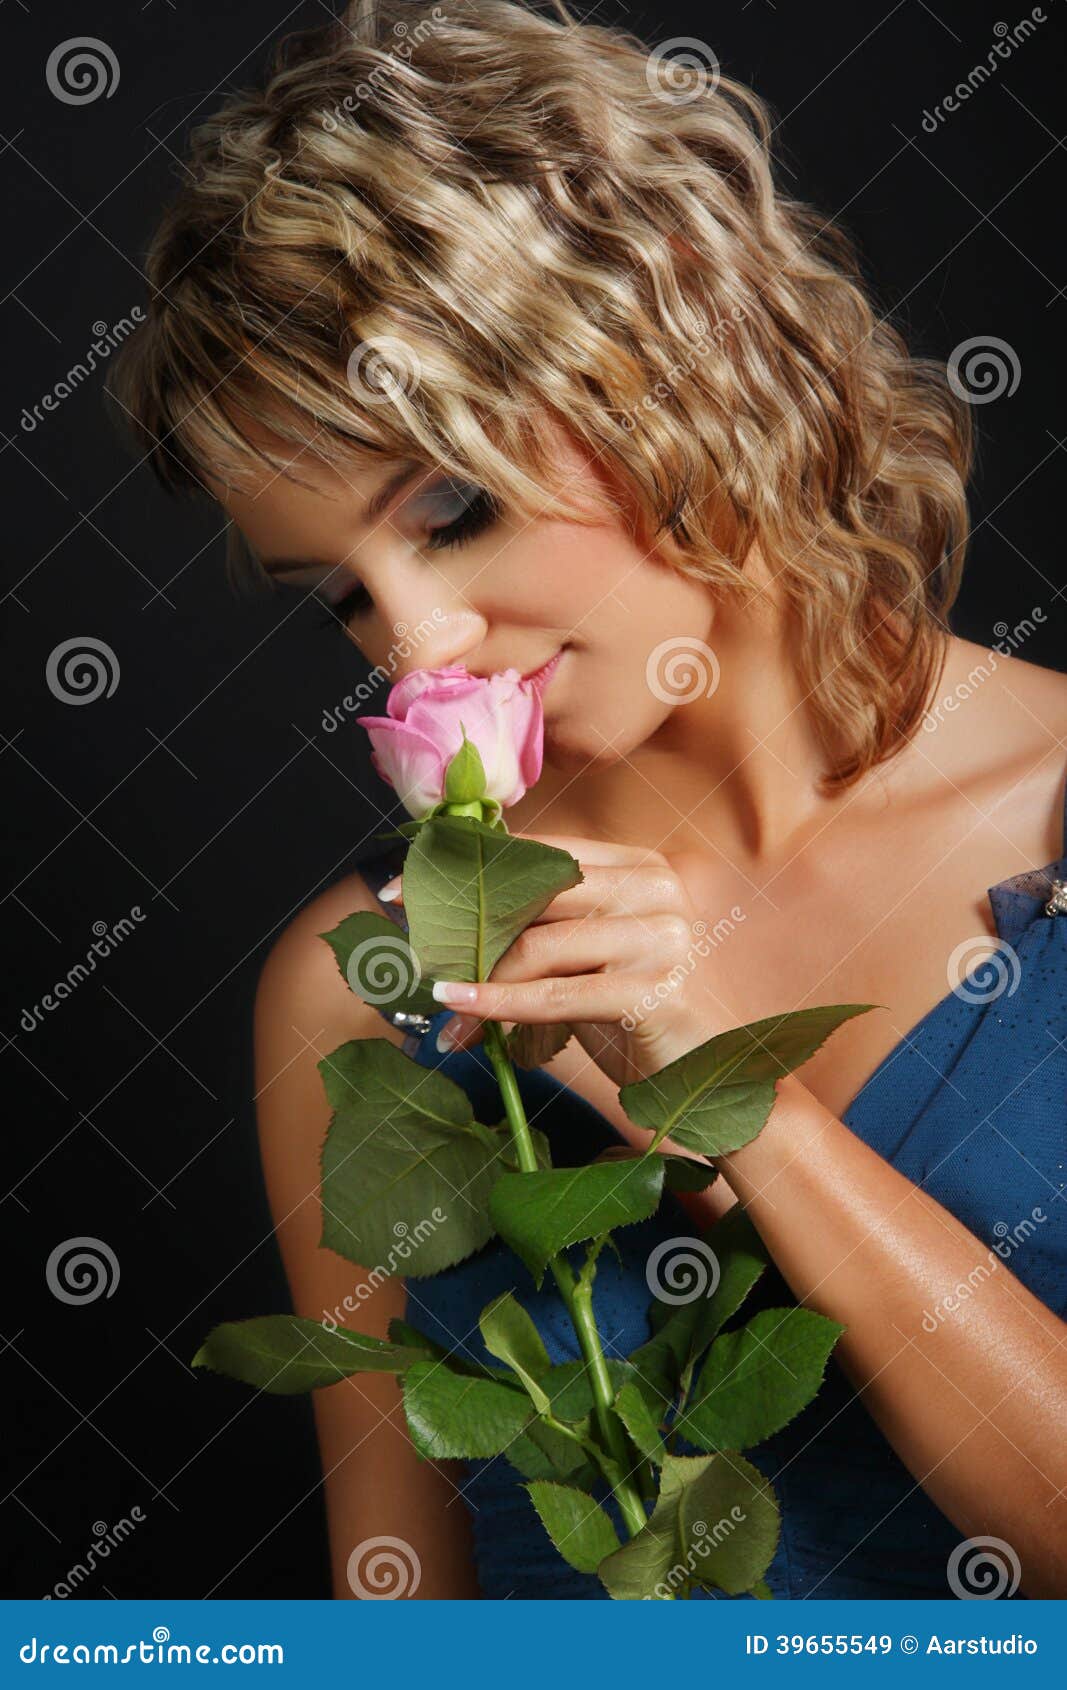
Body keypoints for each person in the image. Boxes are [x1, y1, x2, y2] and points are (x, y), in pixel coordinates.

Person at [106, 0, 1067, 1599]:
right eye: (338, 594)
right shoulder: (368, 988)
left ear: (668, 349)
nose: (414, 645)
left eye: (454, 508)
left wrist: (736, 1104)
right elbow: (400, 1605)